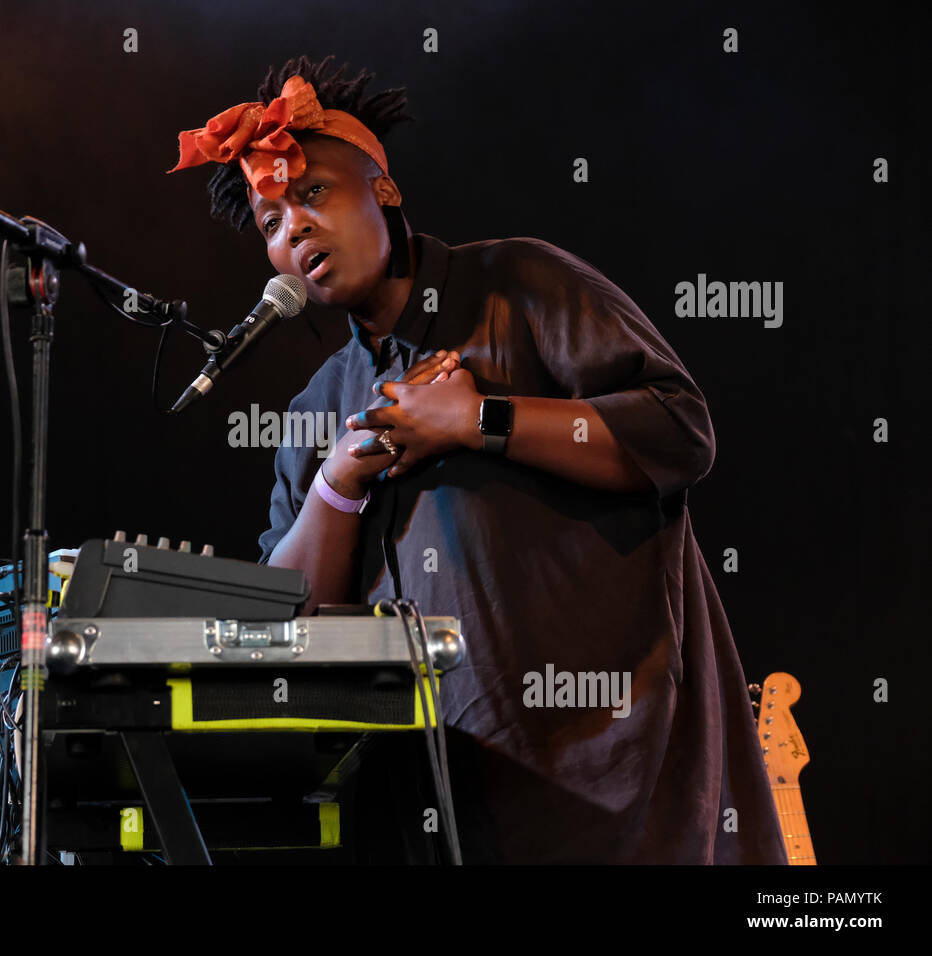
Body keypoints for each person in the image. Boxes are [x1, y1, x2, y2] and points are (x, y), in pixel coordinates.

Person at [168, 54, 787, 864]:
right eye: (273, 222)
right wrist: (337, 483)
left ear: (382, 189)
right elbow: (292, 621)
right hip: (437, 800)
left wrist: (479, 419)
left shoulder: (519, 284)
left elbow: (679, 431)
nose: (297, 230)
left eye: (314, 193)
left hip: (612, 782)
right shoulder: (317, 410)